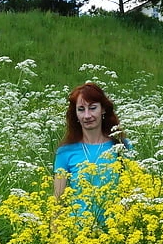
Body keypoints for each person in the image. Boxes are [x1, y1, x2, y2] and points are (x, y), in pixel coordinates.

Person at [53, 82, 131, 221]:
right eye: (81, 109)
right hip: (78, 235)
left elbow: (131, 192)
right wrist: (55, 239)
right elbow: (58, 201)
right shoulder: (65, 152)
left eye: (93, 108)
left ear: (103, 110)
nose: (87, 115)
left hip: (116, 232)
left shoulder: (121, 146)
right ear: (75, 114)